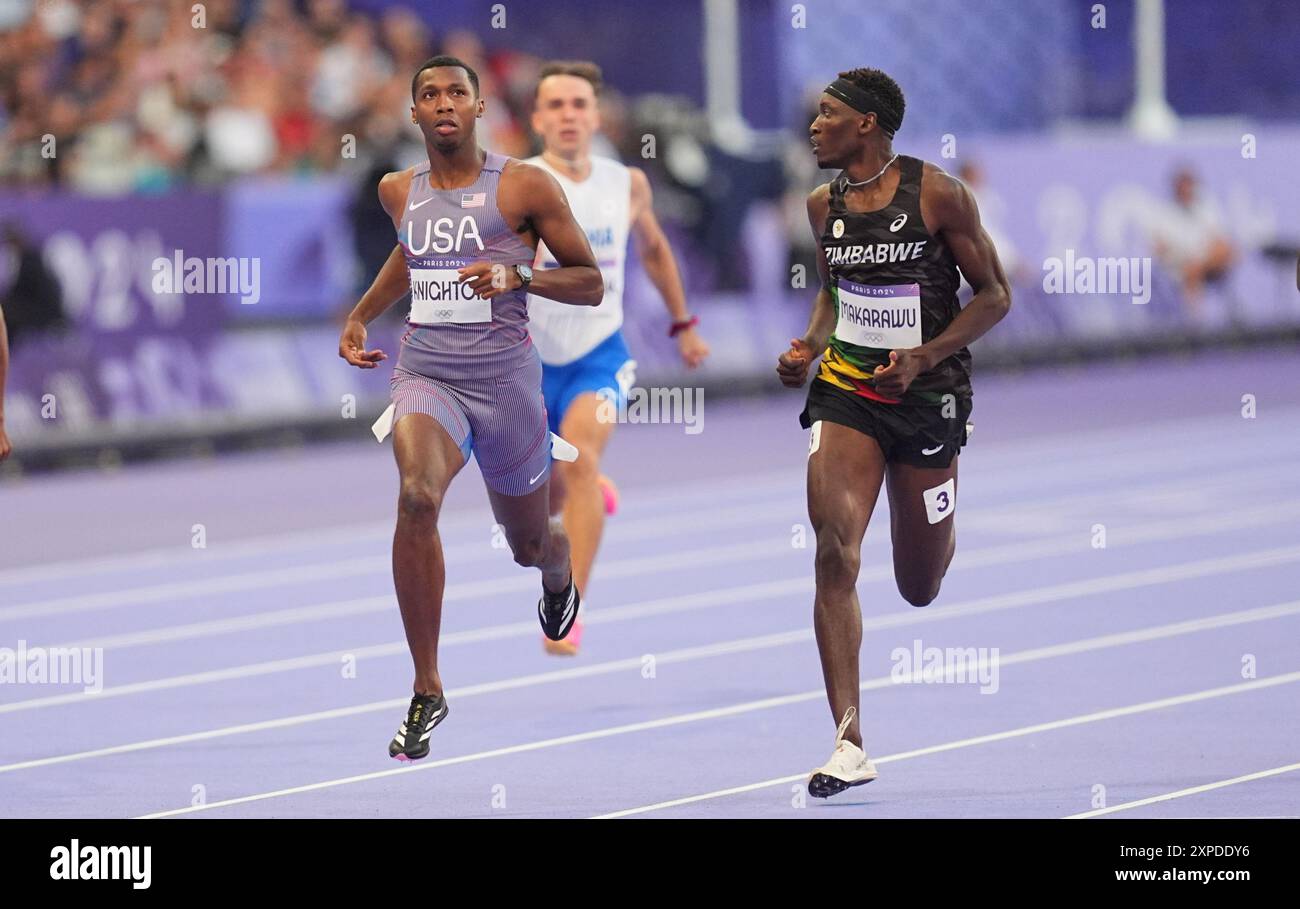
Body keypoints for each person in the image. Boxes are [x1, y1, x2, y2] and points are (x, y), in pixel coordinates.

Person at [338, 56, 604, 761]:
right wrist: (363, 314)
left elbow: (590, 282)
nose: (444, 102)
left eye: (458, 91)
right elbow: (411, 253)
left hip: (508, 386)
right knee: (417, 498)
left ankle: (557, 566)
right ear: (415, 115)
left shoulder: (523, 185)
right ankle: (428, 685)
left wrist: (518, 273)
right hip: (428, 374)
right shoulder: (399, 189)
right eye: (430, 94)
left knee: (527, 544)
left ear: (480, 107)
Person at [776, 67, 1011, 797]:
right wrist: (812, 344)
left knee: (918, 584)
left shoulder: (938, 193)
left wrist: (924, 356)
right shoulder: (823, 205)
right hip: (848, 391)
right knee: (832, 549)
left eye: (827, 115)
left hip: (928, 396)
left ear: (867, 124)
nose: (814, 127)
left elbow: (996, 296)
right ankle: (848, 742)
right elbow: (833, 290)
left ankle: (937, 526)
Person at [526, 61, 708, 655]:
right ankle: (589, 482)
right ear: (537, 119)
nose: (568, 115)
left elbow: (654, 252)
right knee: (539, 502)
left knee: (574, 465)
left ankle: (571, 609)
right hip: (527, 364)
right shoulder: (515, 184)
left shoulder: (625, 184)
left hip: (599, 355)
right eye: (555, 106)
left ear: (596, 116)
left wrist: (684, 325)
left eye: (579, 104)